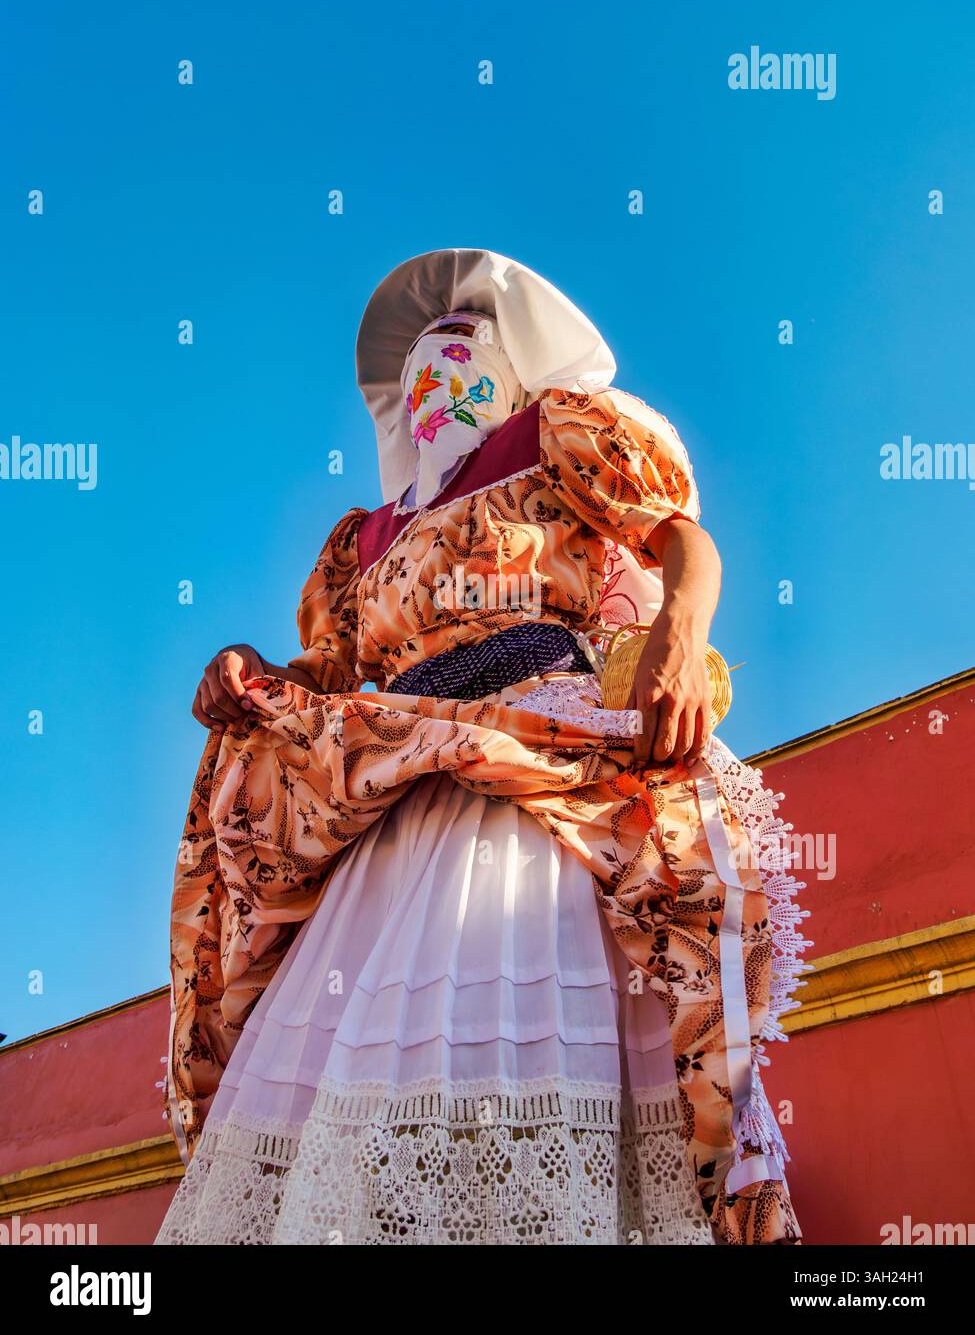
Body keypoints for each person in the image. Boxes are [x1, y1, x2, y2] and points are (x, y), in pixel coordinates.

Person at [156, 249, 809, 1246]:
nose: (437, 374)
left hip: (540, 750)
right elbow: (332, 671)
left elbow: (681, 535)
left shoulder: (558, 439)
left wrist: (676, 636)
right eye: (421, 362)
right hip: (397, 785)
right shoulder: (363, 540)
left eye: (460, 349)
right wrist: (252, 667)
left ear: (506, 364)